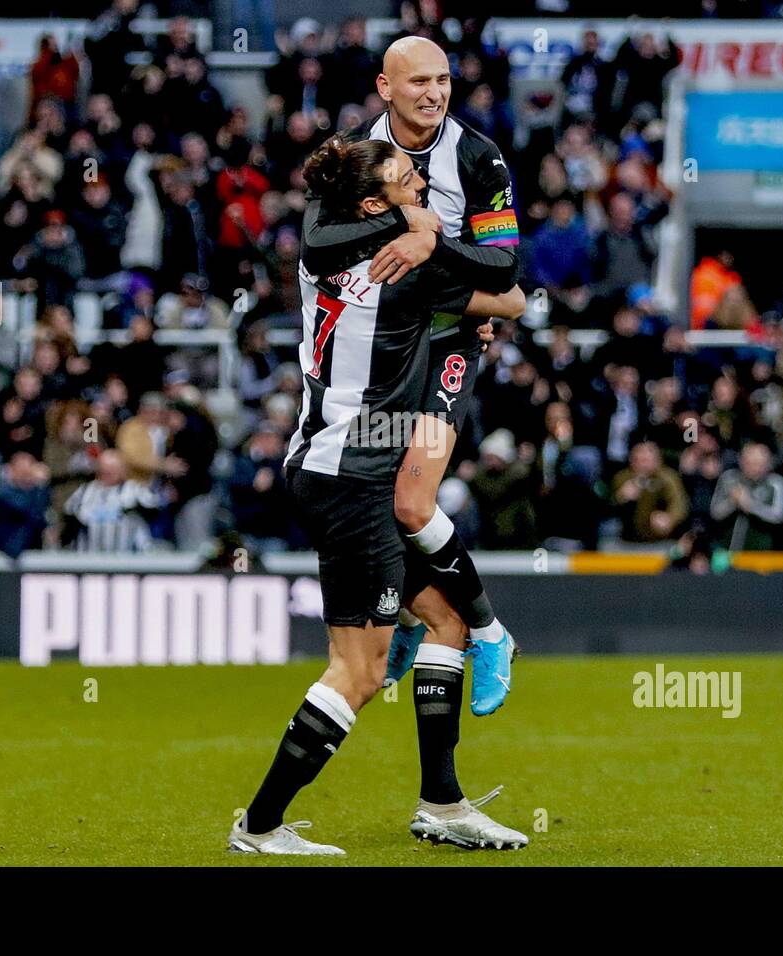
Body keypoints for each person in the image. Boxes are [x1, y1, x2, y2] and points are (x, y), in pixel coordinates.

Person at [230, 136, 527, 856]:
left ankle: (443, 803)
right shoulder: (414, 275)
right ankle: (260, 825)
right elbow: (510, 287)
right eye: (404, 178)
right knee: (356, 671)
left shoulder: (320, 258)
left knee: (445, 623)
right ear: (372, 202)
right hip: (354, 482)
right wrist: (425, 234)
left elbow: (332, 231)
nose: (420, 180)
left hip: (325, 464)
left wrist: (415, 227)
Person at [300, 35, 522, 716]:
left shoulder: (479, 158)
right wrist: (404, 219)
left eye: (444, 80)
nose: (434, 92)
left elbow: (507, 273)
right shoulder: (356, 154)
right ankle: (399, 615)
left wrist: (434, 243)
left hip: (451, 341)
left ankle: (488, 632)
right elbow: (316, 243)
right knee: (374, 496)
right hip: (380, 352)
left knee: (412, 504)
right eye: (419, 81)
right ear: (384, 87)